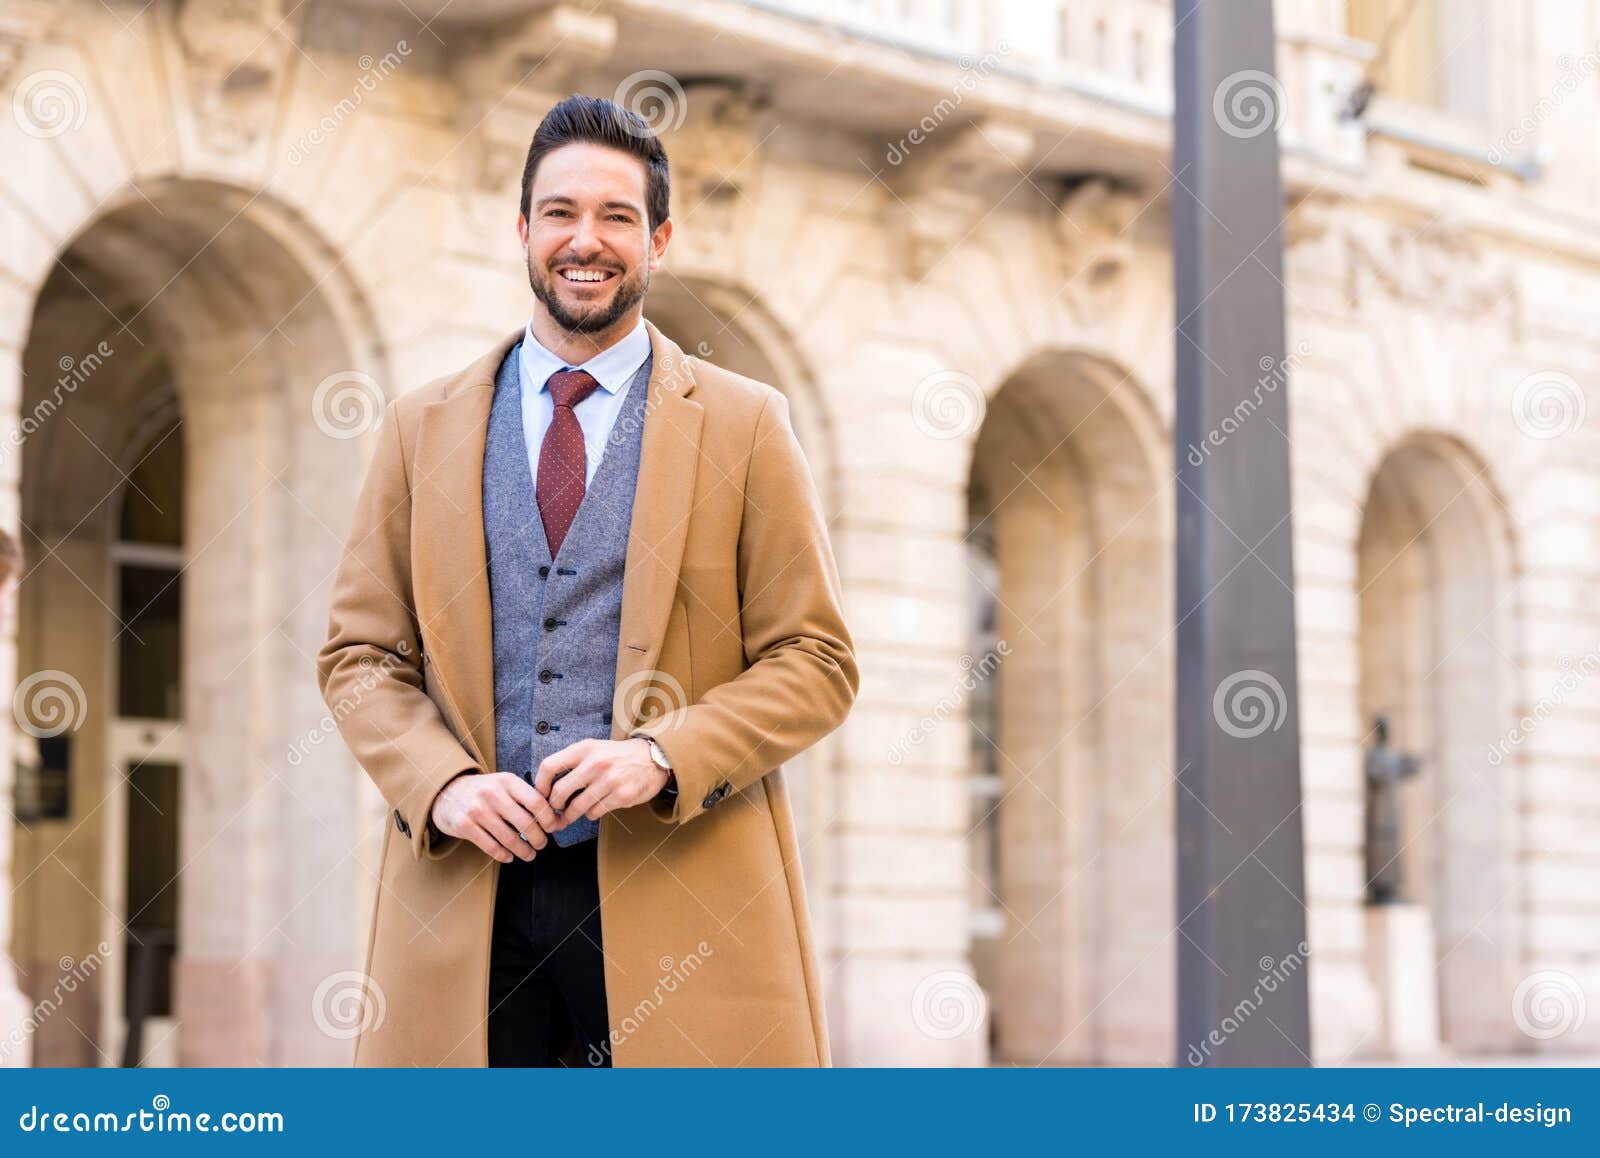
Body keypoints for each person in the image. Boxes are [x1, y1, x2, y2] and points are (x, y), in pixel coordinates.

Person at [317, 94, 857, 1067]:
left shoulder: (745, 424)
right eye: (561, 212)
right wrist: (439, 785)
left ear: (658, 240)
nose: (586, 240)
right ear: (523, 230)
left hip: (681, 896)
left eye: (616, 217)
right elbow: (360, 656)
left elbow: (816, 660)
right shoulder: (420, 427)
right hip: (465, 904)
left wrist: (660, 756)